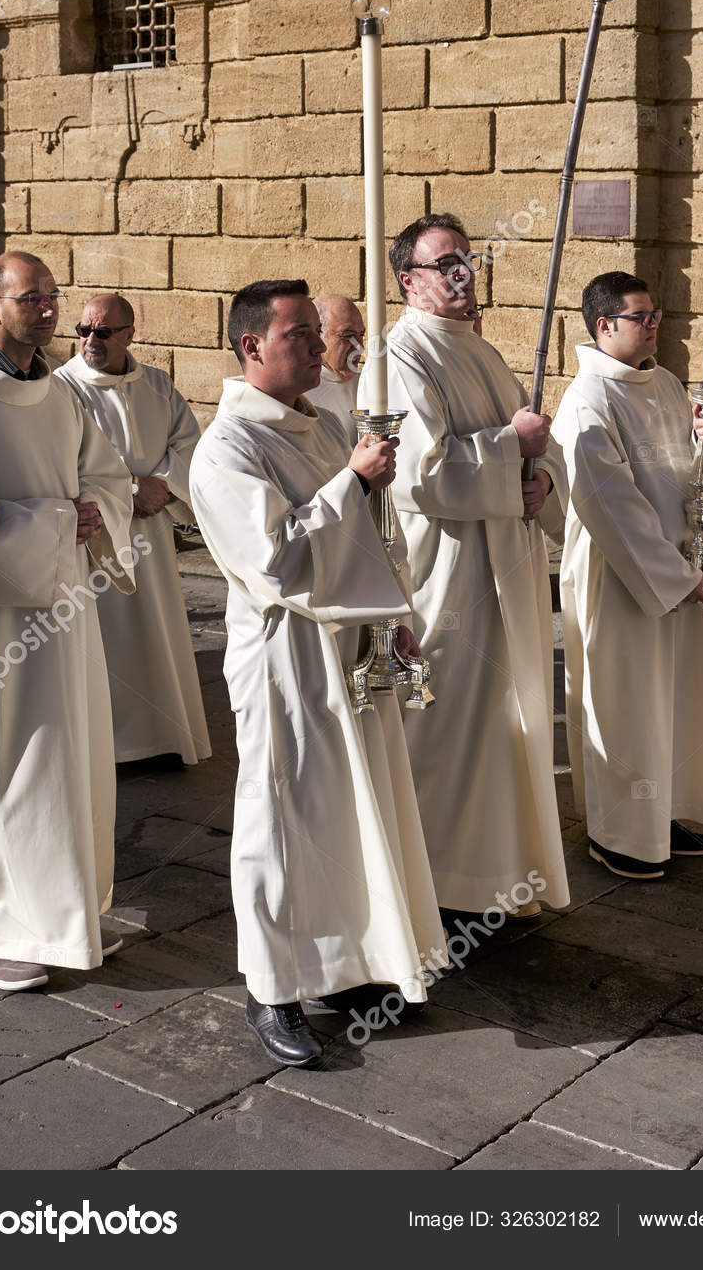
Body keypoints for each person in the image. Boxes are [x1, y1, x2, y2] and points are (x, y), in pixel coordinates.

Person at [189, 279, 445, 1067]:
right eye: (297, 333)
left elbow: (373, 536)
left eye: (312, 332)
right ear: (250, 347)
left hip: (349, 647)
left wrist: (395, 615)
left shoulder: (323, 423)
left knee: (346, 808)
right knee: (281, 819)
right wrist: (356, 481)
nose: (315, 346)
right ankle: (270, 991)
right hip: (286, 658)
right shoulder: (227, 446)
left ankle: (342, 968)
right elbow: (274, 562)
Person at [0, 252, 136, 991]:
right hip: (6, 624)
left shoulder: (62, 394)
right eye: (30, 298)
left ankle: (67, 914)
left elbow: (101, 475)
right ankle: (5, 929)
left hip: (66, 612)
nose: (46, 309)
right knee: (12, 771)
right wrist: (51, 523)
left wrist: (95, 513)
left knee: (72, 769)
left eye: (51, 296)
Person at [362, 212, 569, 917]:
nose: (460, 271)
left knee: (504, 726)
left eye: (466, 258)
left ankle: (496, 876)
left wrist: (542, 481)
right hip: (449, 576)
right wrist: (511, 447)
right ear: (407, 281)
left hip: (505, 566)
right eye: (443, 261)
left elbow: (533, 450)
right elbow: (419, 477)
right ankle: (439, 888)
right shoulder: (399, 360)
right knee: (450, 729)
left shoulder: (476, 349)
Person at [551, 271, 703, 879]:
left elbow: (699, 484)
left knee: (676, 697)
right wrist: (676, 577)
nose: (655, 325)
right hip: (622, 576)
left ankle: (668, 813)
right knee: (624, 701)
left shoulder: (664, 384)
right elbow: (611, 505)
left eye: (656, 314)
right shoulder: (586, 402)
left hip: (680, 566)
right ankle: (620, 833)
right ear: (604, 326)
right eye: (642, 317)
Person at [54, 292, 211, 767]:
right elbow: (65, 460)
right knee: (108, 638)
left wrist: (162, 482)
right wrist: (129, 491)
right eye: (83, 330)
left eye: (102, 331)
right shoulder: (63, 388)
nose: (90, 340)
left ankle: (162, 735)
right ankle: (113, 748)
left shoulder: (158, 386)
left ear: (128, 334)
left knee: (157, 630)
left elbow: (188, 444)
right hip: (101, 532)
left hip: (153, 533)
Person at [308, 293, 365, 439]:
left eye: (361, 335)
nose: (359, 347)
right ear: (318, 335)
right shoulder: (299, 392)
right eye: (347, 336)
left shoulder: (367, 382)